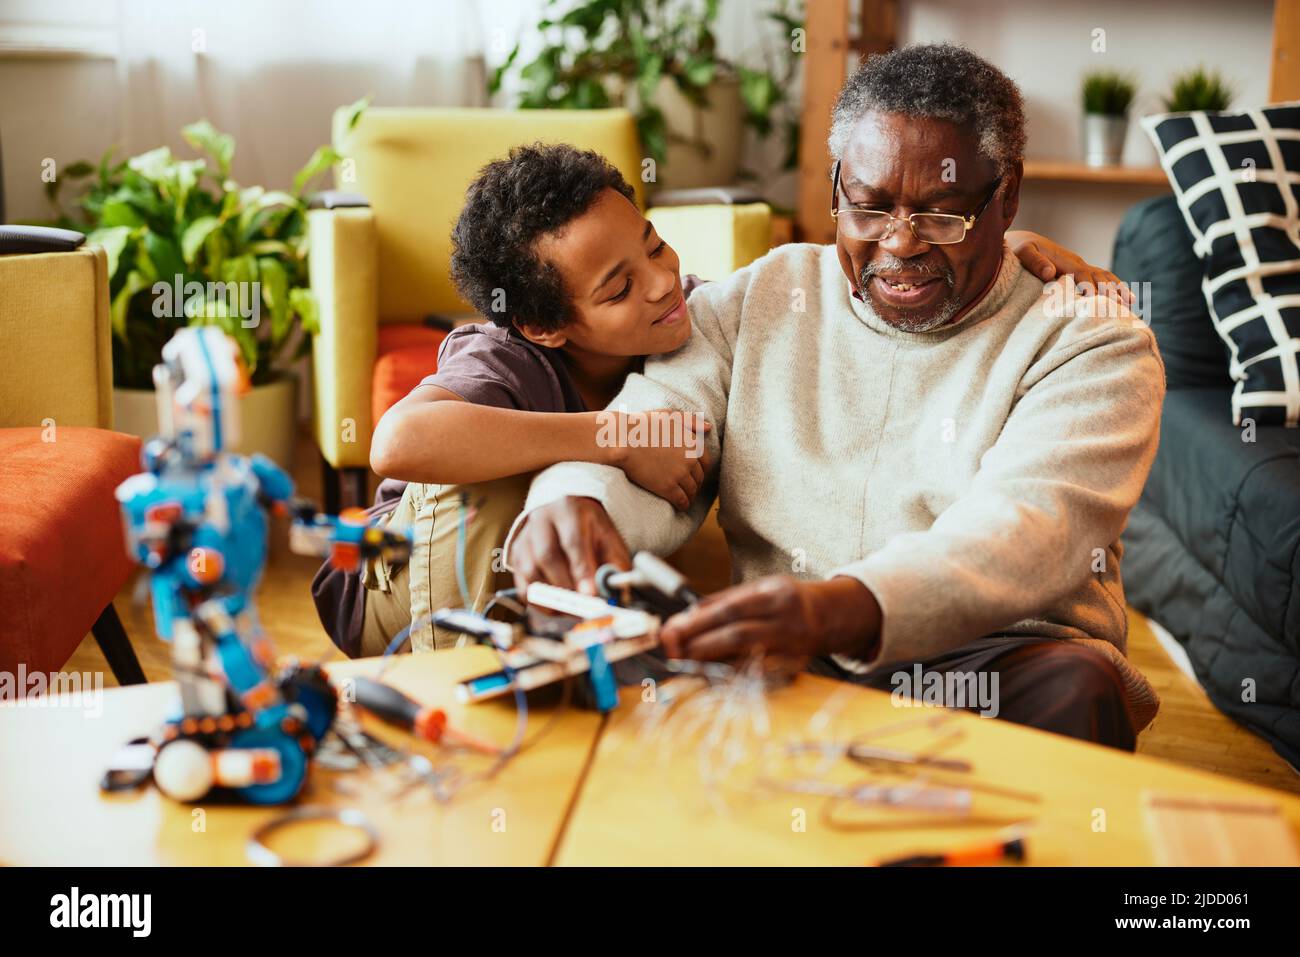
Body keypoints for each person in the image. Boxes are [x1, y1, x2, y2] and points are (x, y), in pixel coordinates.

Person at [504, 44, 1165, 750]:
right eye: (870, 207)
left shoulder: (1092, 337)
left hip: (988, 657)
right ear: (835, 190)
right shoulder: (757, 296)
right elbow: (653, 427)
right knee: (586, 655)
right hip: (786, 651)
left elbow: (1028, 529)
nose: (901, 245)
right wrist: (572, 502)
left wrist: (843, 608)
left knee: (1077, 689)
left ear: (1007, 197)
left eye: (942, 215)